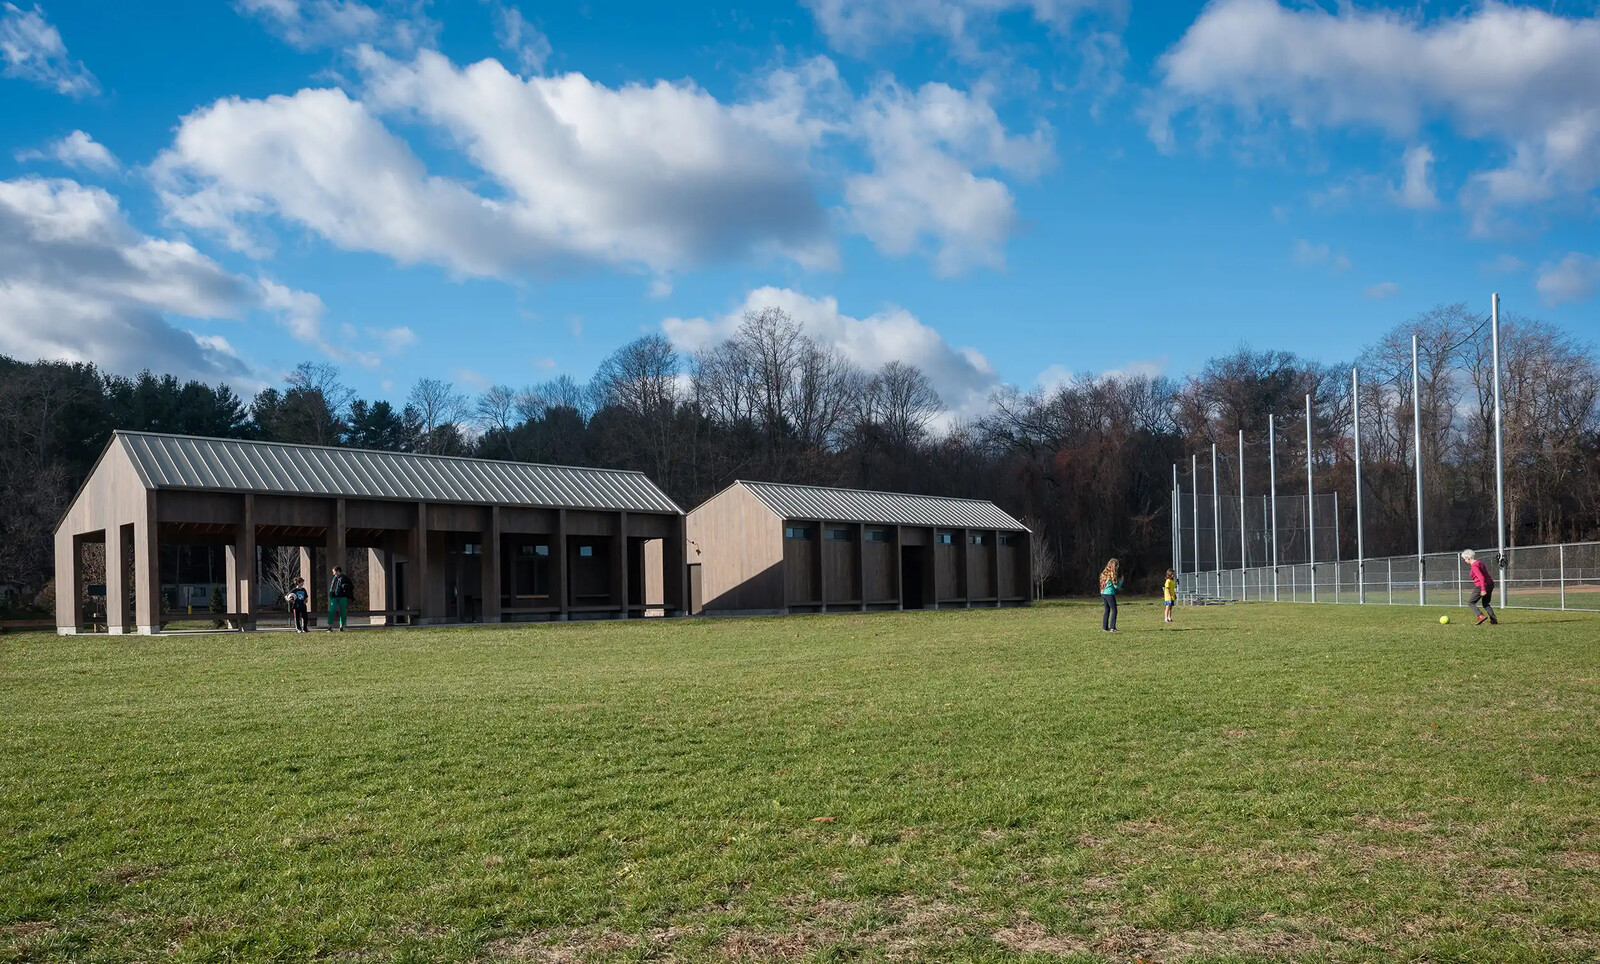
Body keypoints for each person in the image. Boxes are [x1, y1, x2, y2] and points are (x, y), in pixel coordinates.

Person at [1462, 549, 1499, 626]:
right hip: (1490, 584)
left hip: (1482, 585)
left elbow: (1481, 578)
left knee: (1471, 602)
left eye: (1465, 559)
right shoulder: (1480, 563)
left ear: (1468, 557)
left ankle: (1480, 616)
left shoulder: (1474, 566)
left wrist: (1483, 589)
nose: (1465, 561)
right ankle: (1493, 620)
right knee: (1485, 603)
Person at [1099, 558, 1123, 633]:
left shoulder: (1104, 573)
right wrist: (1121, 581)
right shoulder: (1112, 575)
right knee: (1114, 610)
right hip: (1109, 594)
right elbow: (1116, 587)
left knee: (1107, 610)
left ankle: (1105, 627)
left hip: (1103, 593)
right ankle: (1113, 628)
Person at [327, 565, 353, 632]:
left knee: (343, 611)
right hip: (334, 596)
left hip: (342, 596)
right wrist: (330, 594)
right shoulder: (334, 578)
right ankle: (330, 626)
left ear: (338, 571)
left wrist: (345, 587)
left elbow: (351, 586)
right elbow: (332, 587)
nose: (333, 574)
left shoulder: (345, 578)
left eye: (334, 572)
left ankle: (341, 626)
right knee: (331, 611)